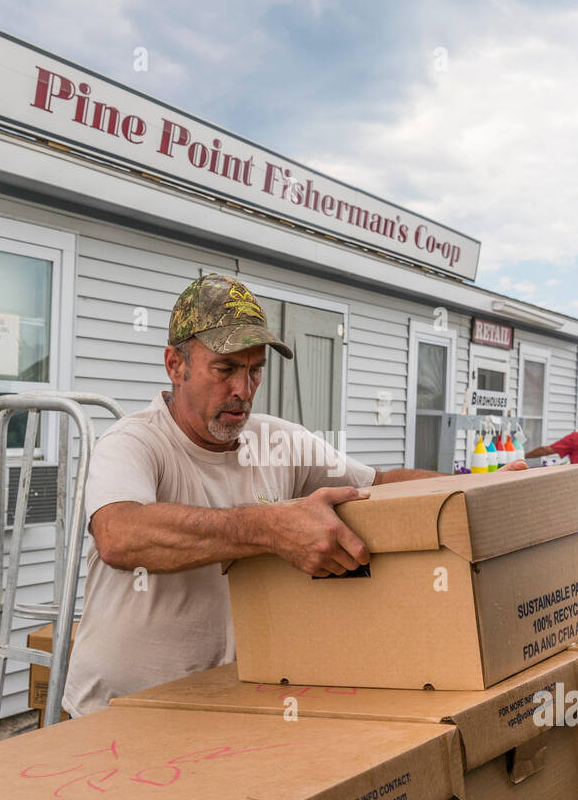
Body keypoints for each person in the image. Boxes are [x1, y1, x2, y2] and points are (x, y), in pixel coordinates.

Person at [63, 274, 527, 715]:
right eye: (225, 369)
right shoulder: (133, 442)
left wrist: (477, 488)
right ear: (175, 364)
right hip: (115, 714)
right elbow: (120, 535)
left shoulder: (278, 441)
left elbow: (378, 486)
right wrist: (270, 527)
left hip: (221, 702)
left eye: (254, 371)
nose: (242, 390)